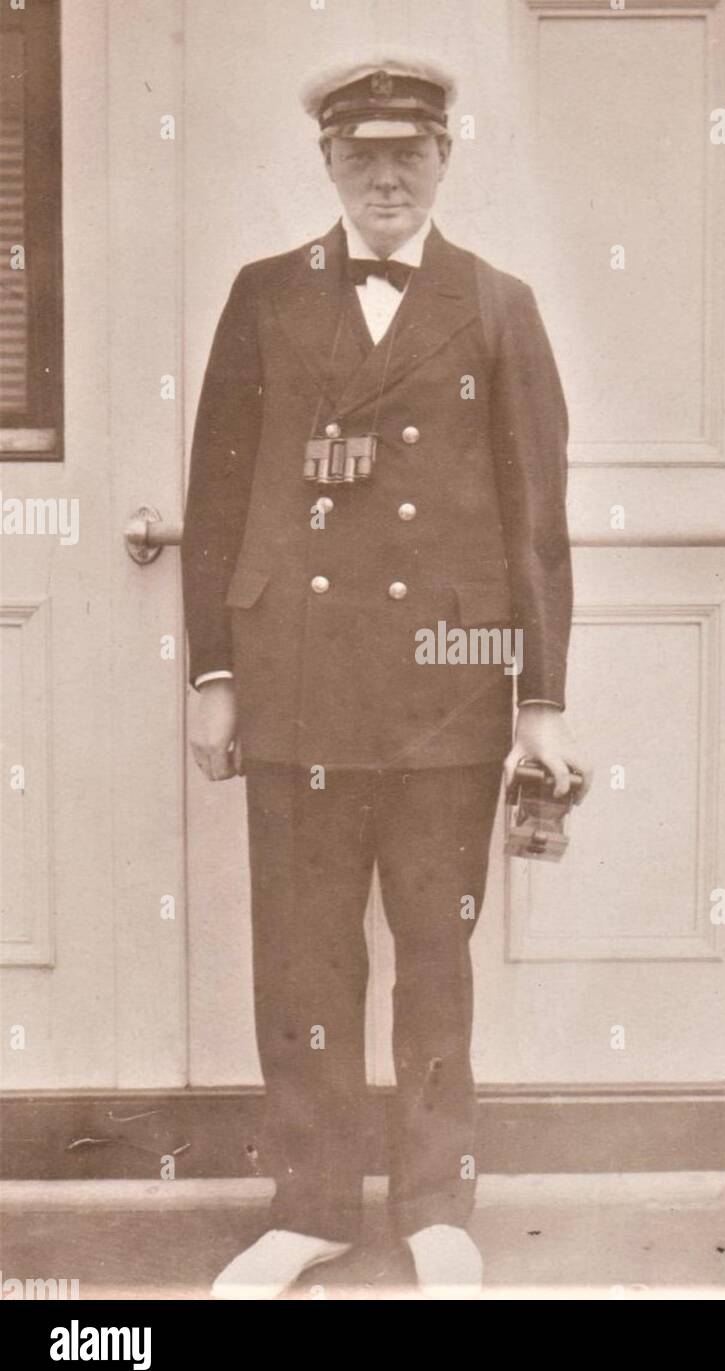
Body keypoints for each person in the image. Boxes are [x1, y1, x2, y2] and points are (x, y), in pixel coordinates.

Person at [182, 52, 590, 1300]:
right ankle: (307, 1207)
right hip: (296, 675)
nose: (386, 179)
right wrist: (212, 671)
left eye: (408, 155)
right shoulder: (263, 296)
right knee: (304, 955)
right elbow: (215, 493)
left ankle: (435, 1207)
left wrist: (540, 699)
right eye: (361, 158)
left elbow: (536, 514)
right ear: (327, 166)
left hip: (446, 683)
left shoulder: (498, 304)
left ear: (446, 158)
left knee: (434, 948)